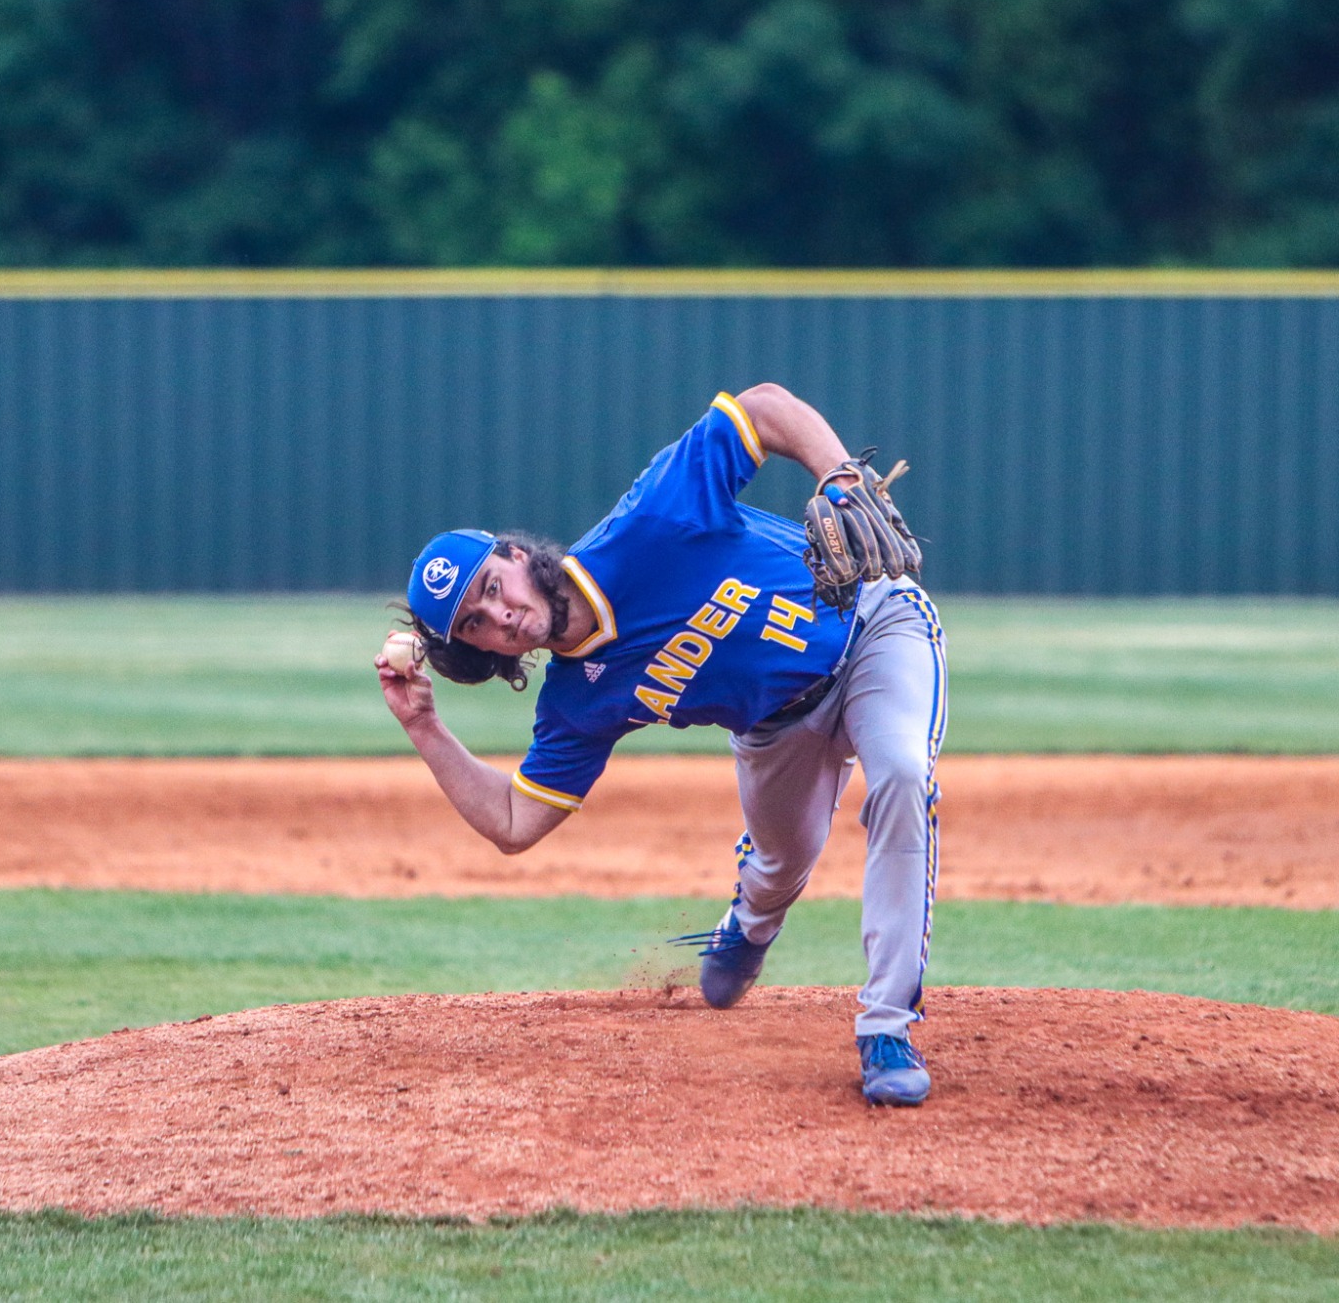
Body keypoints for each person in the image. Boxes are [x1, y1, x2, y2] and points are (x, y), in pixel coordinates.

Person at [374, 384, 947, 1106]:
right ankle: (750, 923)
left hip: (873, 628)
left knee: (901, 773)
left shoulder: (653, 520)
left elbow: (765, 408)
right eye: (476, 623)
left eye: (493, 585)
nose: (501, 614)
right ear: (481, 650)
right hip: (774, 727)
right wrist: (424, 726)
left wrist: (837, 475)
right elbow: (516, 822)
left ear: (518, 556)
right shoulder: (577, 701)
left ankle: (886, 1026)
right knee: (780, 862)